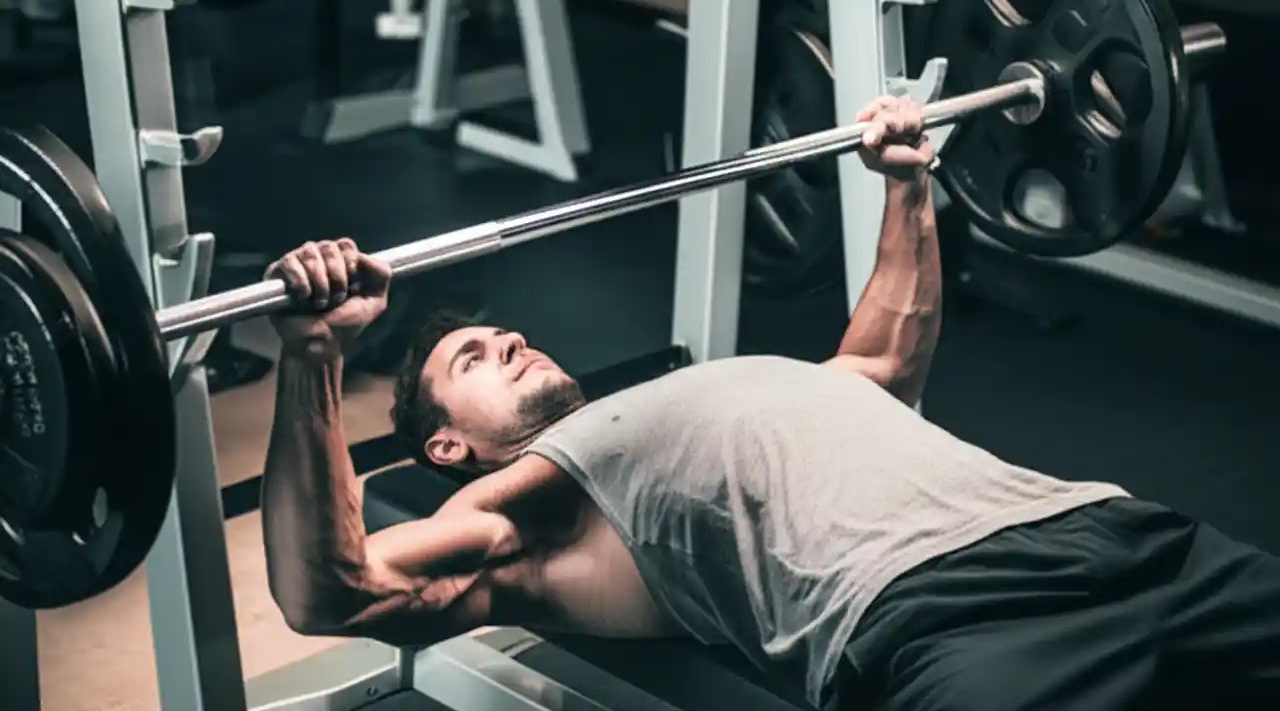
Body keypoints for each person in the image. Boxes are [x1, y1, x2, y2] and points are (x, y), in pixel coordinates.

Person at [259, 96, 1280, 710]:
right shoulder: (523, 509)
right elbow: (332, 592)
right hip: (946, 623)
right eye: (476, 359)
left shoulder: (704, 397)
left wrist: (902, 181)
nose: (512, 341)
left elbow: (878, 359)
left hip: (1112, 531)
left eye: (503, 334)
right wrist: (313, 356)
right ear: (445, 447)